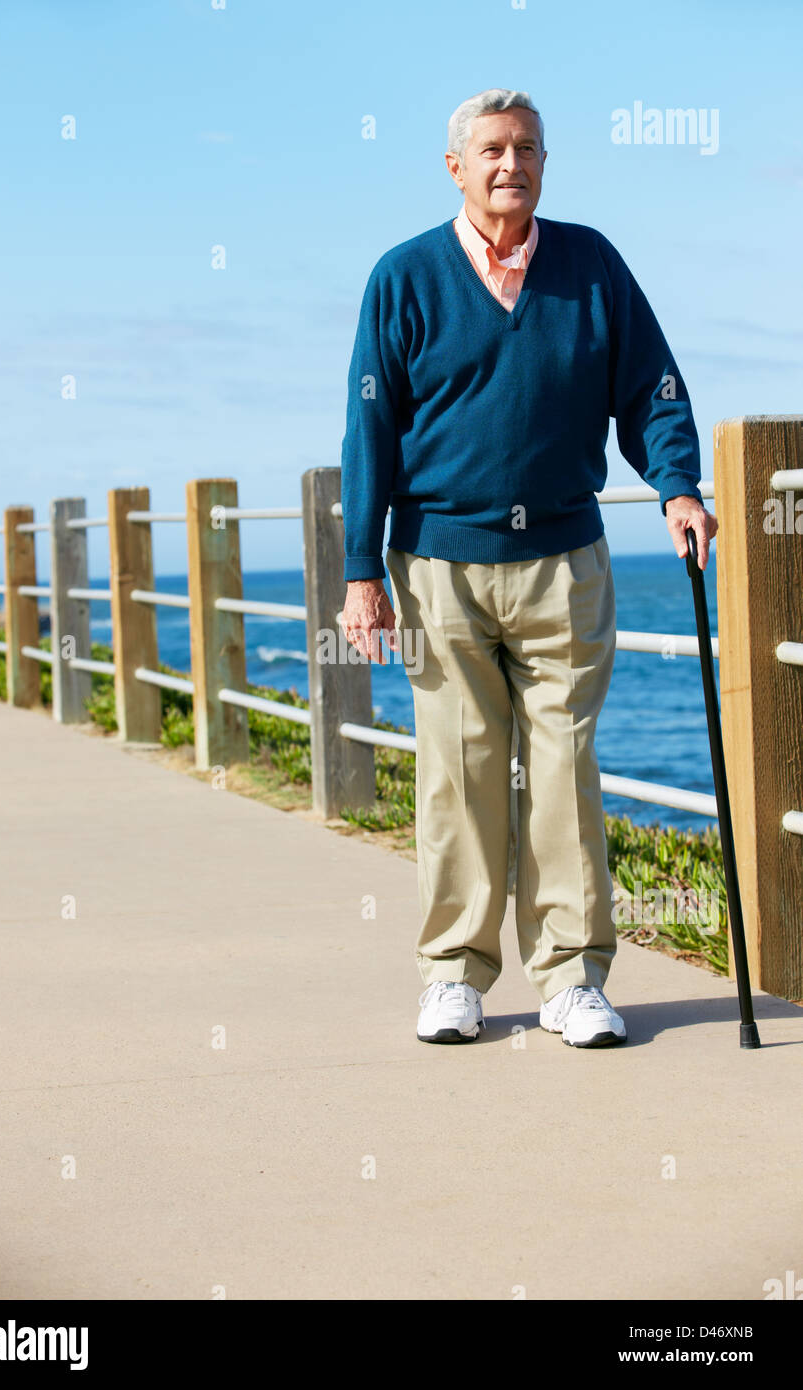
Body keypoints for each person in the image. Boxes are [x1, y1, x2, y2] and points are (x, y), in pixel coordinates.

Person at [339, 88, 718, 1048]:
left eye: (530, 149)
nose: (514, 164)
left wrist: (677, 485)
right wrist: (361, 572)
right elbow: (369, 430)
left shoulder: (590, 264)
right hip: (438, 563)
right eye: (495, 150)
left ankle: (571, 978)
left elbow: (652, 385)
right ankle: (453, 975)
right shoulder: (405, 277)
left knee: (563, 770)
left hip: (565, 558)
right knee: (459, 772)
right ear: (458, 167)